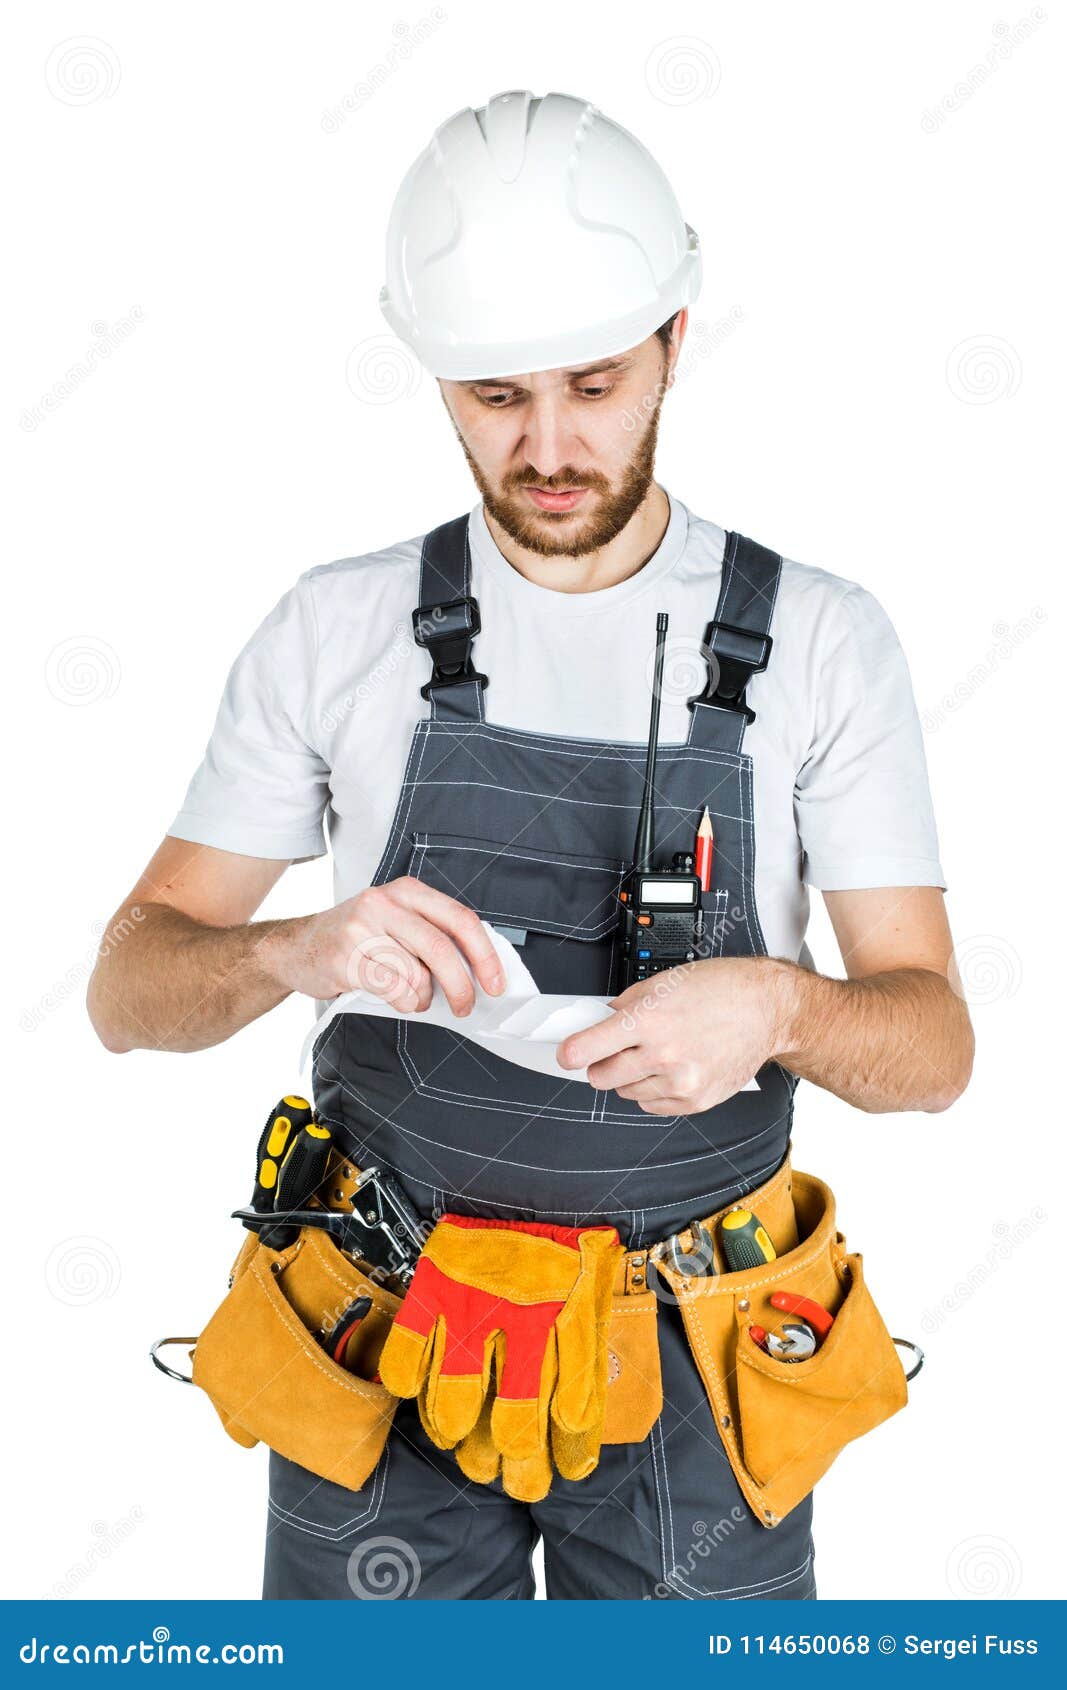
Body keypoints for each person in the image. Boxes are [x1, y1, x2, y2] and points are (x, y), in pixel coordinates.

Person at [88, 90, 973, 1601]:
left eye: (595, 383)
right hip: (385, 1331)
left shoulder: (825, 641)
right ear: (432, 376)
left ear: (677, 344)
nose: (550, 447)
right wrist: (301, 945)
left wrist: (782, 1006)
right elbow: (126, 991)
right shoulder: (335, 627)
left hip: (699, 1361)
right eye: (496, 397)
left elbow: (935, 1045)